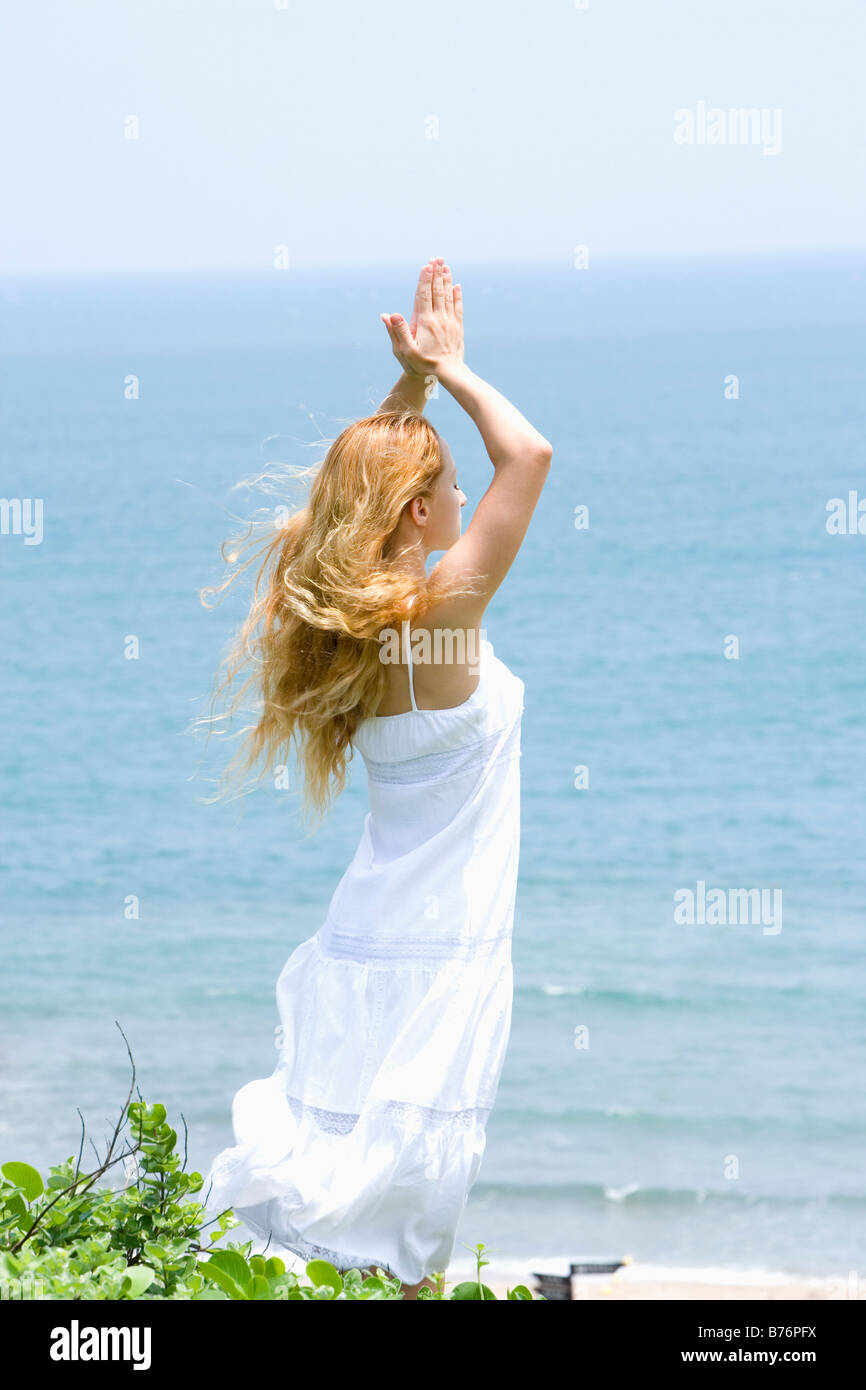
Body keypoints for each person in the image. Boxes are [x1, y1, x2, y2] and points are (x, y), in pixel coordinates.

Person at [201, 258, 553, 1298]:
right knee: (408, 1232)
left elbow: (342, 500)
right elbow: (527, 455)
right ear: (414, 517)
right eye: (444, 486)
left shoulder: (340, 623)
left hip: (367, 938)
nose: (459, 493)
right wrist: (451, 369)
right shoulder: (440, 616)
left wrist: (409, 391)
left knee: (362, 1208)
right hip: (436, 952)